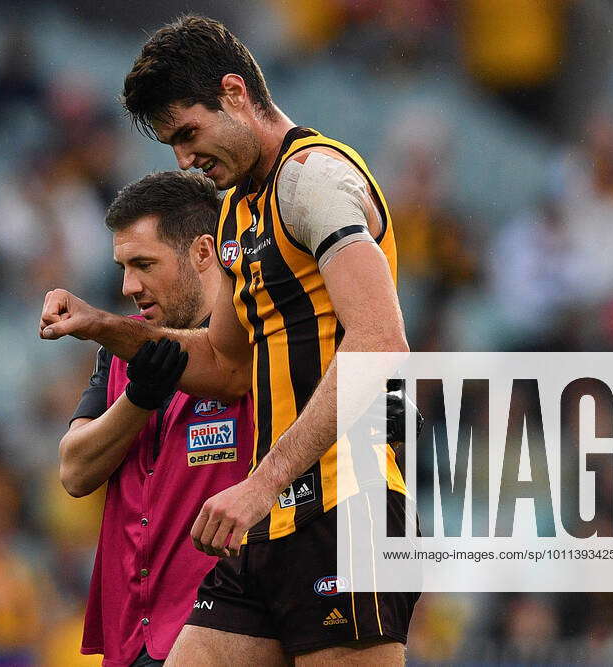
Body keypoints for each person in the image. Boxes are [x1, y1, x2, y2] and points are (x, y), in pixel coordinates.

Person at [40, 15, 418, 663]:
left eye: (188, 133)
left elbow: (381, 342)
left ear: (236, 94)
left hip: (345, 507)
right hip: (271, 519)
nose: (185, 159)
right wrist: (102, 326)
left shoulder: (314, 179)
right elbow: (224, 362)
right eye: (172, 145)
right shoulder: (241, 210)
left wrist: (260, 482)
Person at [57, 171, 254, 666]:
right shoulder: (123, 350)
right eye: (123, 266)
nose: (128, 286)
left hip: (220, 633)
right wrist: (139, 398)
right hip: (129, 637)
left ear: (203, 253)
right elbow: (75, 471)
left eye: (144, 264)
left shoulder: (260, 343)